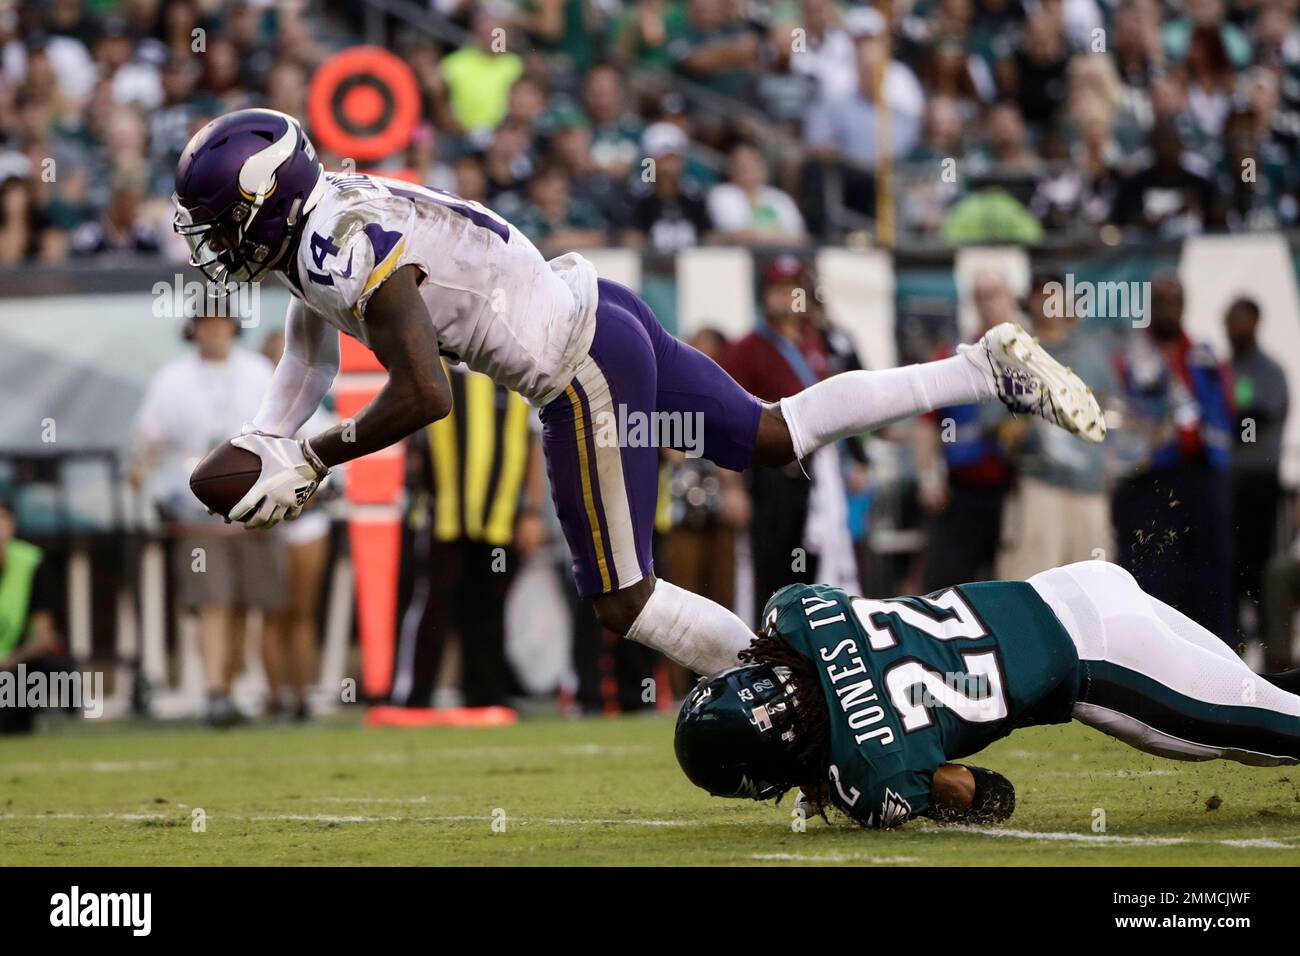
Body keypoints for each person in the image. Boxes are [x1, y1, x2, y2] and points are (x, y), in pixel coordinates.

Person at [171, 108, 1103, 683]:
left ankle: (794, 700)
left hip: (582, 369)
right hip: (602, 310)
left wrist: (317, 456)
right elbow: (311, 358)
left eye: (218, 224)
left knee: (622, 599)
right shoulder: (318, 231)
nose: (212, 245)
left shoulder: (341, 244)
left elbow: (424, 395)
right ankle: (980, 370)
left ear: (264, 202)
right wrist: (267, 435)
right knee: (773, 437)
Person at [675, 560, 1300, 829]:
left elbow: (995, 797)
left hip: (1108, 662)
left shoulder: (873, 777)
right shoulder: (796, 613)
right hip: (1072, 582)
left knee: (1272, 736)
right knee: (1267, 700)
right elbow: (826, 629)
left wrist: (845, 776)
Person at [129, 309, 285, 727]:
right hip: (195, 510)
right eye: (205, 323)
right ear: (192, 328)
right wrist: (141, 473)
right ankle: (215, 690)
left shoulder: (257, 371)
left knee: (246, 605)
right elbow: (149, 437)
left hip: (253, 508)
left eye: (220, 322)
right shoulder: (171, 379)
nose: (213, 330)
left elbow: (284, 430)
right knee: (213, 600)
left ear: (233, 327)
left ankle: (229, 688)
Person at [1111, 272, 1235, 642]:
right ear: (1148, 306)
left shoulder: (1205, 355)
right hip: (1150, 481)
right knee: (1153, 573)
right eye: (1161, 300)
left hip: (1202, 478)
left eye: (1176, 300)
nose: (1169, 308)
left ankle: (1219, 657)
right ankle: (1153, 656)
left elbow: (1225, 409)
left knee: (1212, 571)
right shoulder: (1129, 357)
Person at [1225, 297, 1289, 642]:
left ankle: (1272, 653)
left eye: (1242, 320)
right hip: (1228, 487)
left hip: (1259, 488)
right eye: (1230, 321)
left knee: (1263, 573)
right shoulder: (1222, 369)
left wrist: (1229, 422)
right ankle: (1233, 646)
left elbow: (1255, 419)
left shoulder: (1269, 371)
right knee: (1228, 571)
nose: (1235, 328)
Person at [0, 496, 72, 734]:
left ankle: (69, 724)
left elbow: (44, 636)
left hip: (13, 665)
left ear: (13, 525)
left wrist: (10, 661)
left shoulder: (30, 563)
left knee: (58, 663)